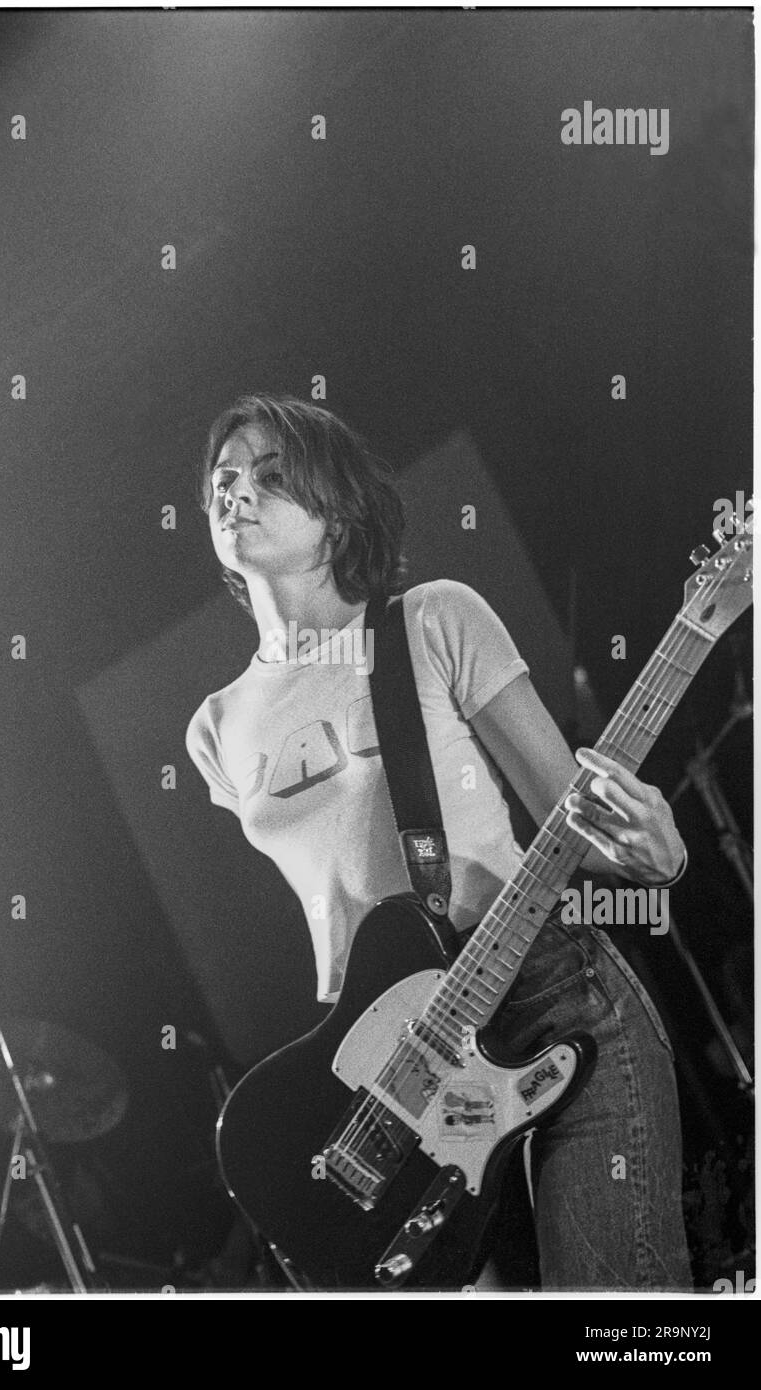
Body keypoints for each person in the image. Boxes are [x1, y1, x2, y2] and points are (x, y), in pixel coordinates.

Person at [186, 392, 692, 1291]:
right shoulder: (216, 729)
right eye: (223, 481)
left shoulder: (433, 619)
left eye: (269, 477)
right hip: (398, 1067)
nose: (236, 494)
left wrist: (658, 852)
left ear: (337, 513)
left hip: (550, 1000)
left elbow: (573, 816)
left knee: (619, 1322)